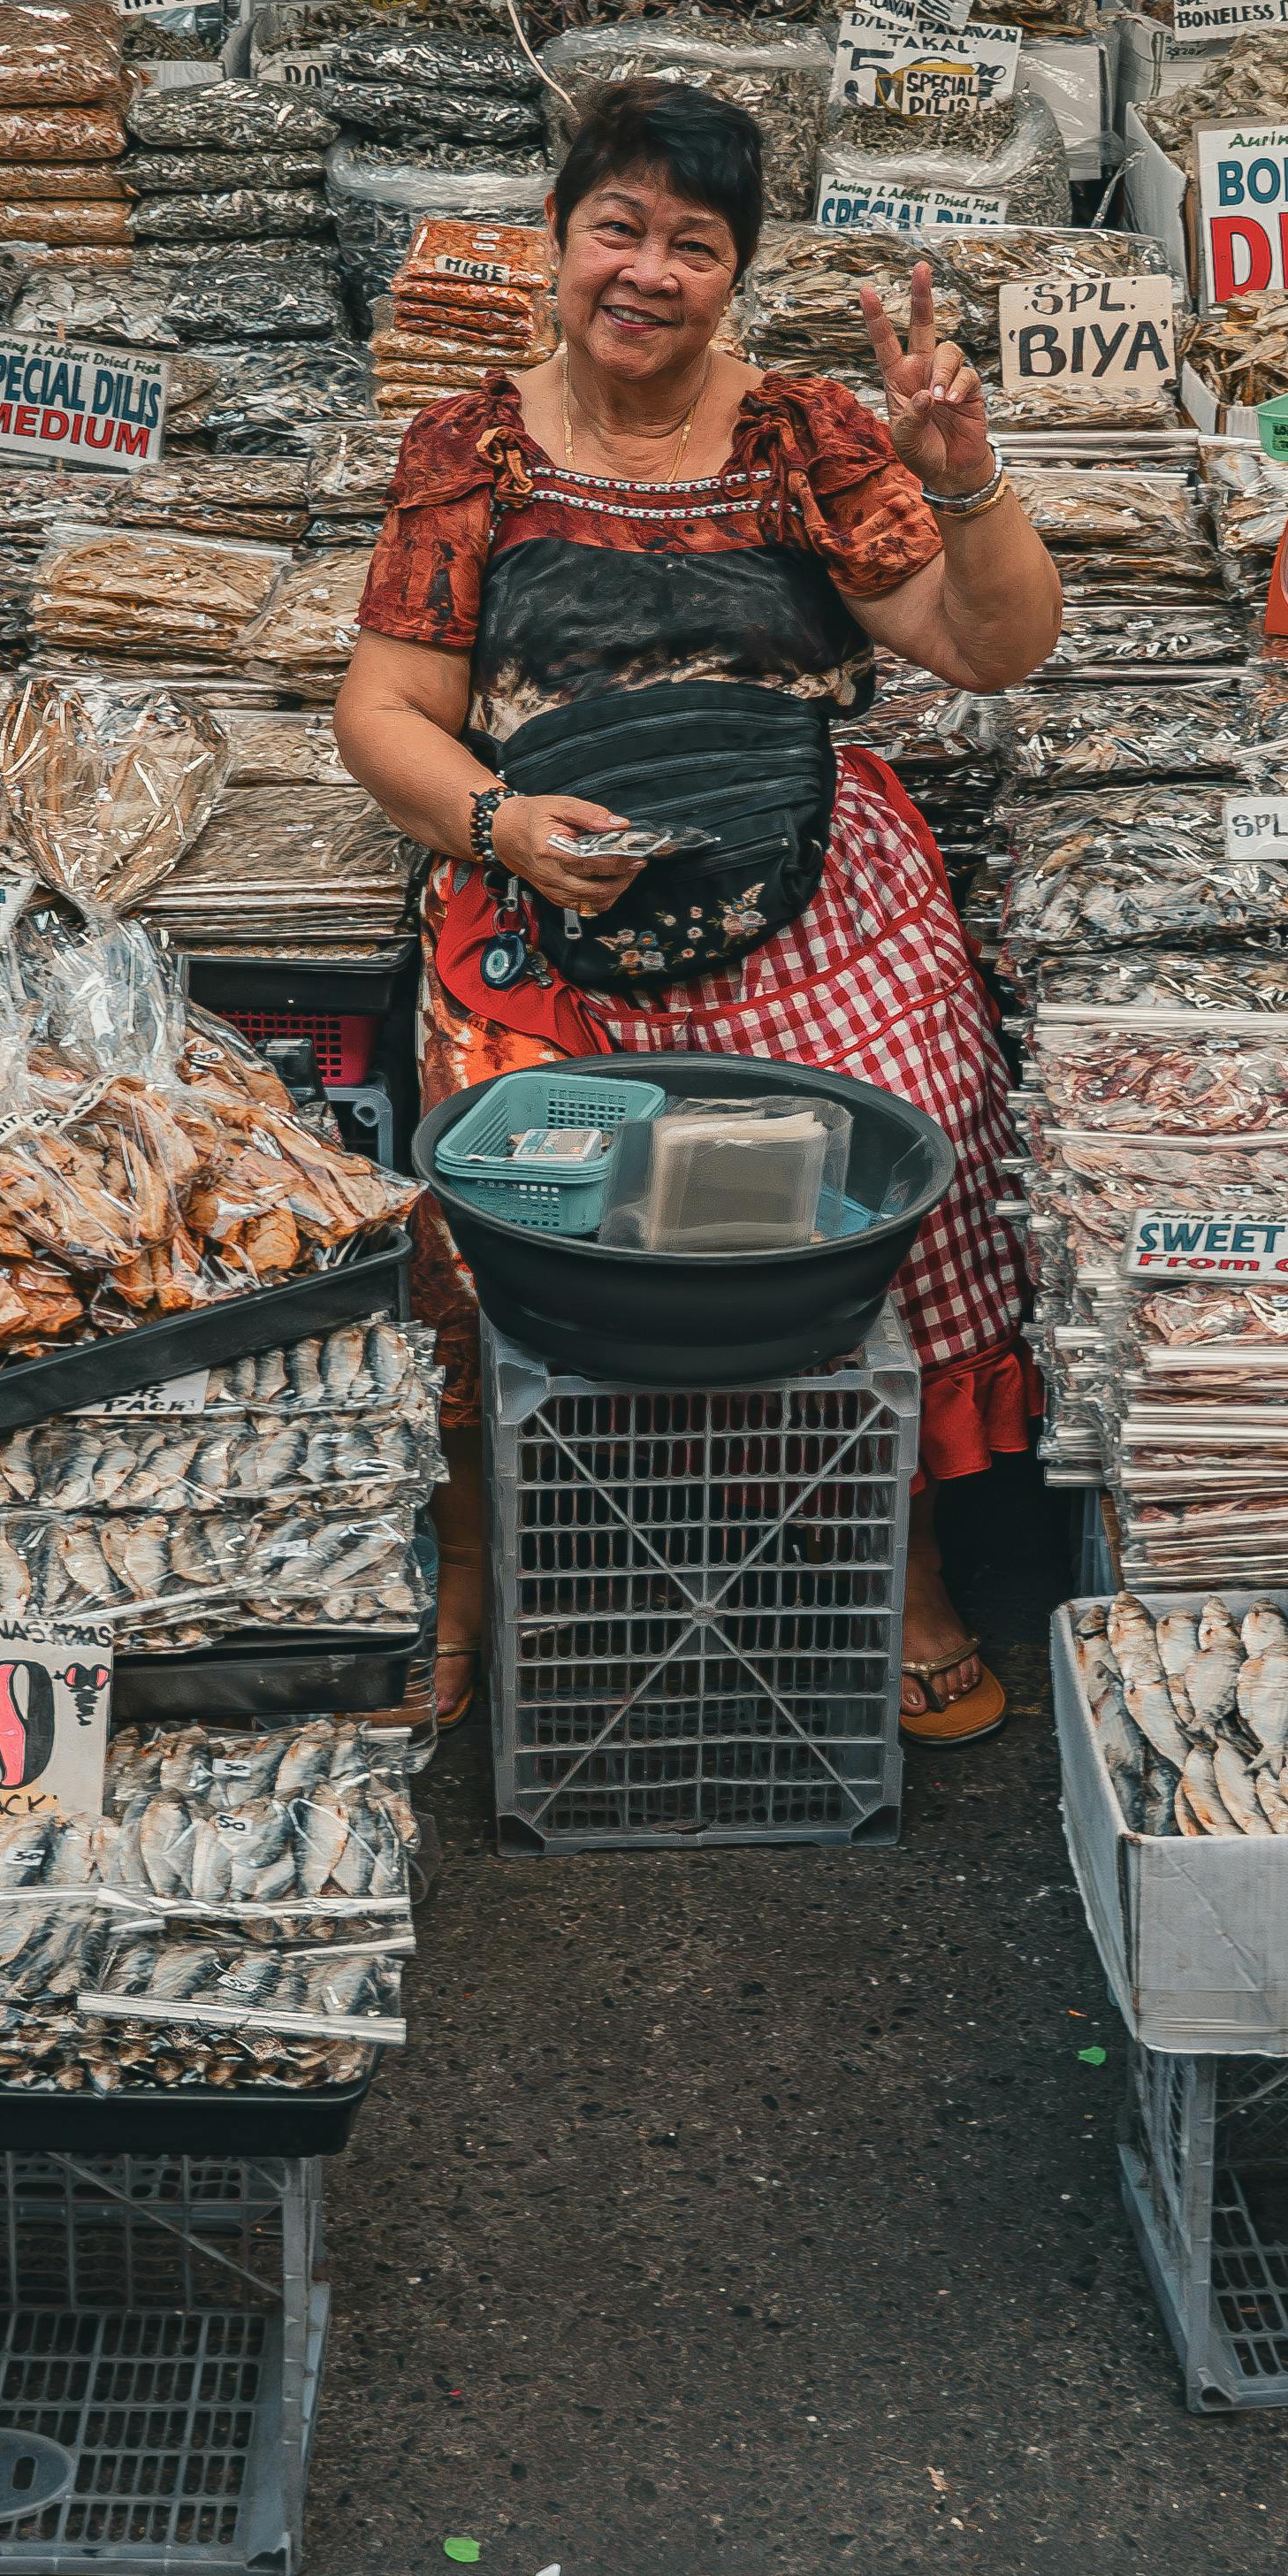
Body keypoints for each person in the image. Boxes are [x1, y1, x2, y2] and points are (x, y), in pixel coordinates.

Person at [333, 85, 1059, 1742]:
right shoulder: (471, 445)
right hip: (549, 867)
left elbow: (990, 647)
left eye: (695, 243)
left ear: (738, 273)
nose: (647, 272)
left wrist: (965, 480)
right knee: (486, 1175)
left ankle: (902, 1551)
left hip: (805, 865)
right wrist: (505, 824)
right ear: (558, 239)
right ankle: (470, 1557)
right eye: (619, 228)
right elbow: (384, 712)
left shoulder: (804, 433)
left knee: (907, 1122)